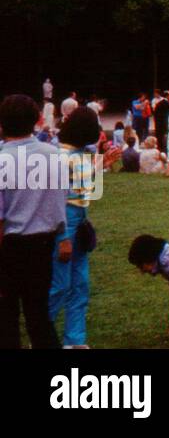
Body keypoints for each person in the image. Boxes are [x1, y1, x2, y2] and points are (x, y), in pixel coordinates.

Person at [0, 94, 66, 348]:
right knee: (38, 315)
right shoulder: (54, 154)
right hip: (43, 242)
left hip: (11, 244)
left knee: (6, 316)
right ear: (37, 121)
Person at [49, 107, 116, 349]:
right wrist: (62, 237)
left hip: (79, 221)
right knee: (59, 285)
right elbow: (56, 200)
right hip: (65, 223)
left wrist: (102, 165)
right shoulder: (60, 156)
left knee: (80, 285)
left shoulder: (76, 153)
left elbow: (82, 186)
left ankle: (74, 340)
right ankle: (43, 336)